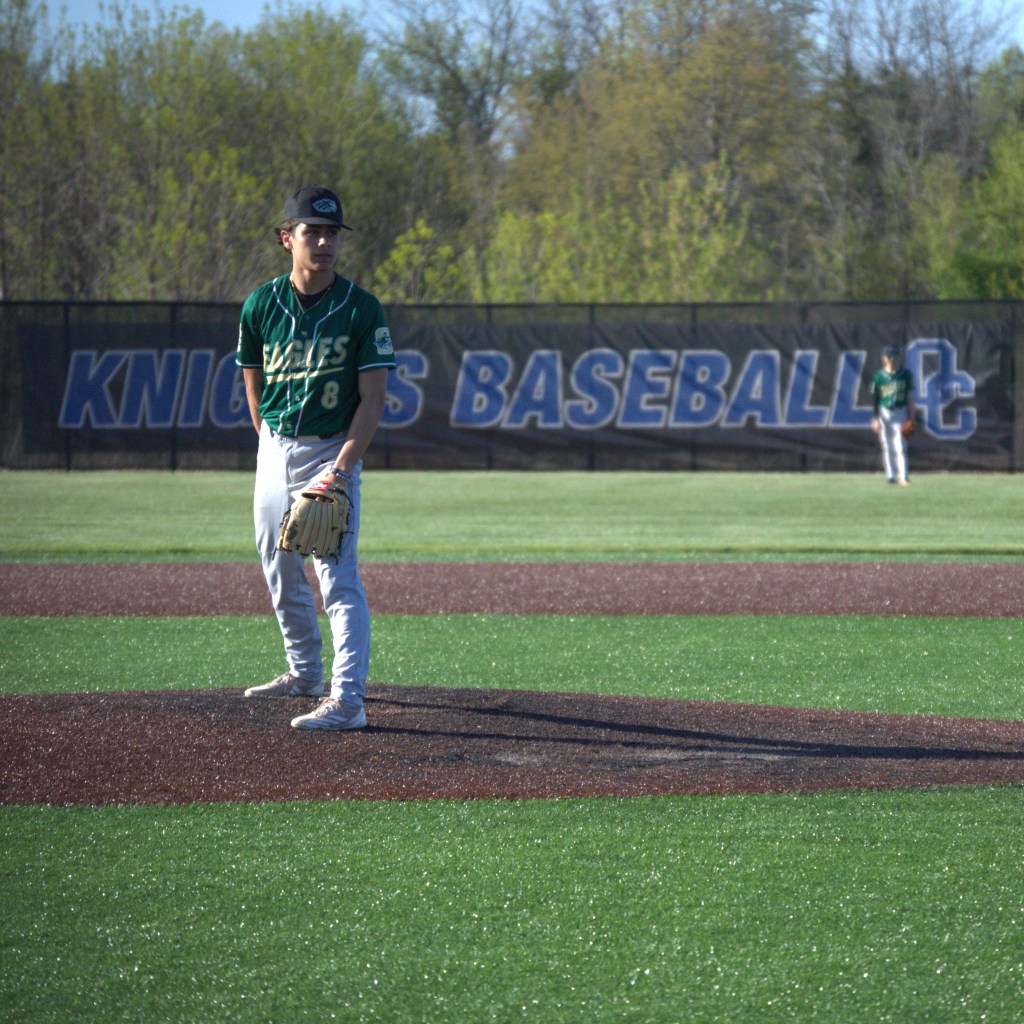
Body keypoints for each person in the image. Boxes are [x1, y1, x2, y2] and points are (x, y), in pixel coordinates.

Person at [236, 184, 396, 730]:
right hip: (275, 448)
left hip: (332, 450)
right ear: (288, 238)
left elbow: (373, 399)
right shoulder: (261, 304)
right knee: (278, 566)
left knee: (338, 579)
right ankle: (304, 673)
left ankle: (348, 700)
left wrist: (342, 469)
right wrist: (265, 440)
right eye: (312, 231)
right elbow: (252, 377)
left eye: (331, 232)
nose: (324, 241)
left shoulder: (361, 308)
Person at [869, 343, 916, 487]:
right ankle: (891, 476)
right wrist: (875, 418)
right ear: (883, 358)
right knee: (886, 445)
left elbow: (909, 397)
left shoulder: (905, 374)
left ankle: (904, 476)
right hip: (884, 412)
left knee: (901, 446)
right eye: (889, 356)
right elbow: (874, 398)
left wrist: (912, 417)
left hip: (900, 412)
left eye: (894, 356)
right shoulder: (878, 376)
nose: (892, 359)